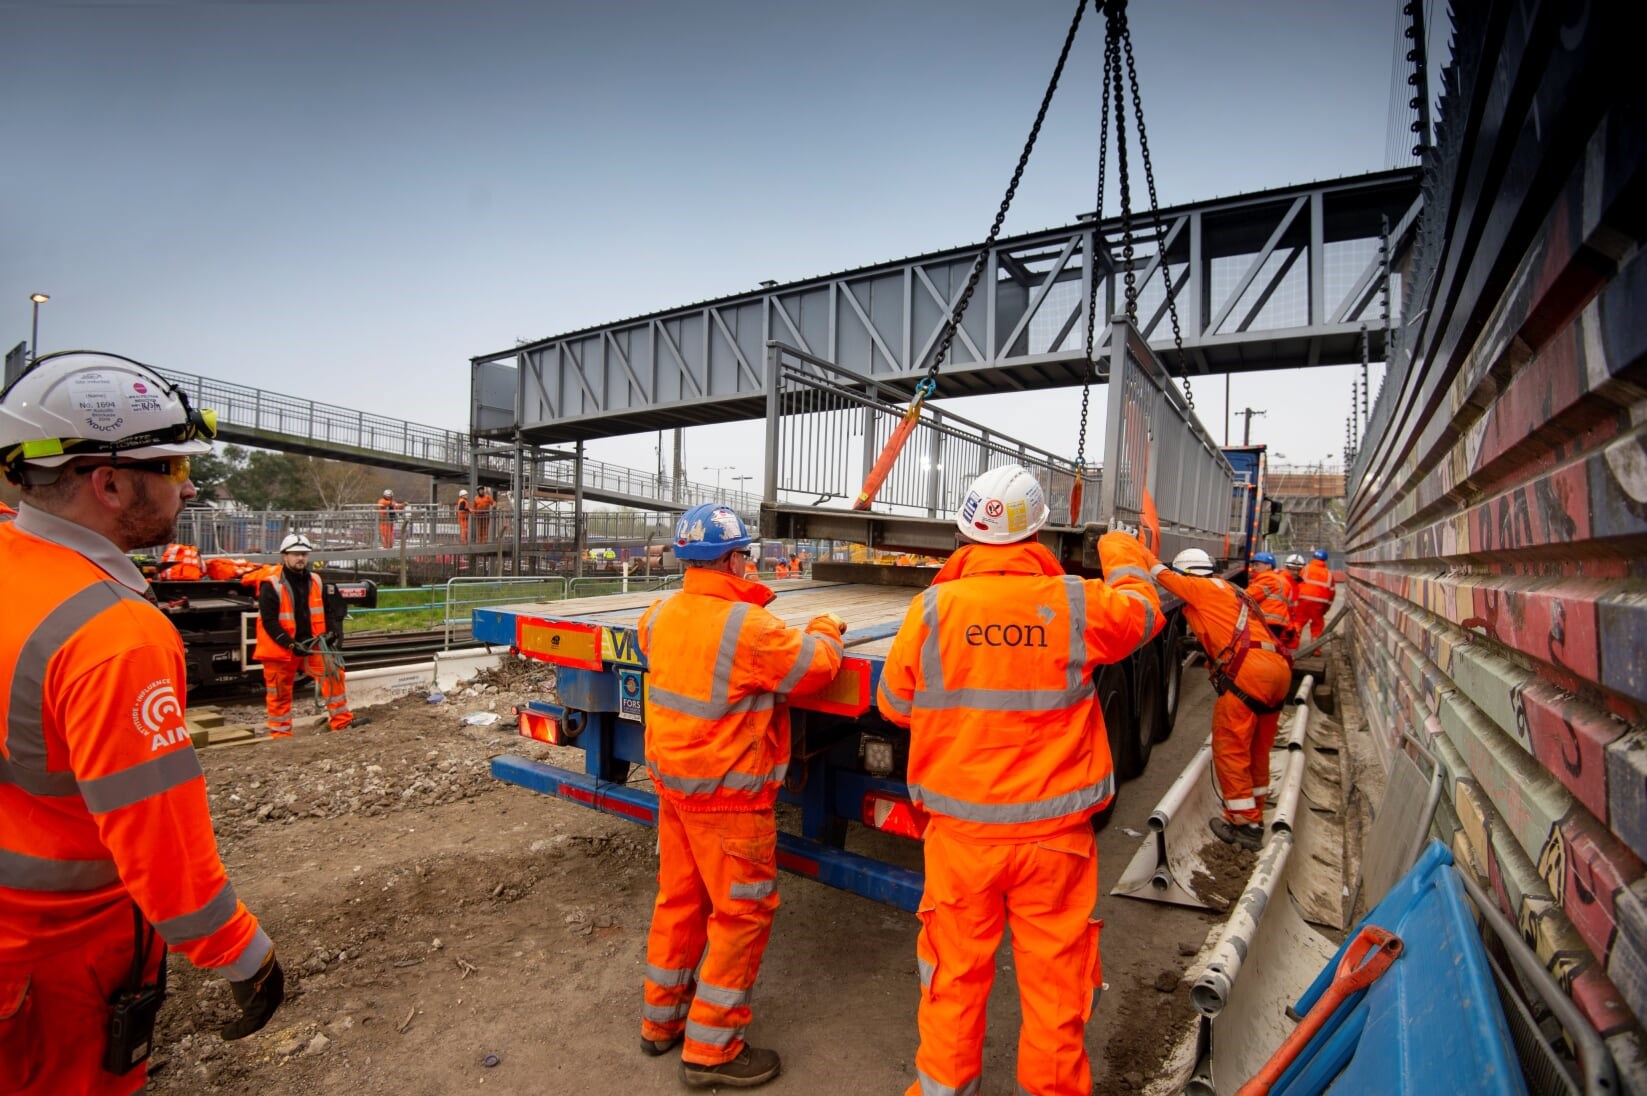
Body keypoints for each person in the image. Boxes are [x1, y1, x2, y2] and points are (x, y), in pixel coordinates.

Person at [0, 351, 284, 1095]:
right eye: (173, 469)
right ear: (111, 482)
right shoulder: (112, 631)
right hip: (55, 957)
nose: (189, 487)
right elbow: (155, 828)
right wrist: (238, 950)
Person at [876, 464, 1163, 1096]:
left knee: (952, 980)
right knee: (1057, 987)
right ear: (1040, 532)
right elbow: (1145, 618)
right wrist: (1124, 558)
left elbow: (895, 706)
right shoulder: (1075, 603)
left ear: (966, 533)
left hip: (961, 842)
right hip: (1055, 842)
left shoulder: (933, 610)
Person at [638, 502, 846, 1088]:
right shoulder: (749, 630)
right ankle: (713, 1050)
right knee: (740, 914)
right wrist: (827, 626)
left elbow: (662, 644)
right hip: (729, 801)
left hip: (675, 789)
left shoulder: (660, 614)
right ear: (733, 559)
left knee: (679, 900)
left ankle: (662, 1022)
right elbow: (816, 667)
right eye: (746, 555)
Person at [1150, 547, 1292, 852]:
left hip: (1250, 674)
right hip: (1277, 670)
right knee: (1258, 749)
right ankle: (1255, 812)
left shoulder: (1200, 587)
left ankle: (1244, 825)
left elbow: (1161, 576)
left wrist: (1131, 547)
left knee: (1231, 748)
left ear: (1187, 572)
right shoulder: (1232, 590)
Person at [253, 533, 365, 736]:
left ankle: (341, 722)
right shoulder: (271, 584)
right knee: (279, 691)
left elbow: (327, 610)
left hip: (312, 644)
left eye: (304, 554)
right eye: (296, 554)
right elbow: (269, 621)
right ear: (284, 556)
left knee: (333, 673)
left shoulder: (315, 581)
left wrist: (331, 632)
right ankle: (280, 734)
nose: (300, 558)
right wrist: (289, 643)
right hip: (282, 649)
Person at [1247, 551, 1299, 651]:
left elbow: (1249, 596)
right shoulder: (1280, 579)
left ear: (1268, 566)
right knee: (1270, 648)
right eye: (1253, 564)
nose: (1253, 567)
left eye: (1257, 564)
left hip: (1267, 621)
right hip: (1275, 622)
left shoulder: (1268, 578)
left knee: (1262, 649)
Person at [1296, 548, 1337, 643]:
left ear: (1313, 557)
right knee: (1317, 625)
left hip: (1302, 600)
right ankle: (1316, 649)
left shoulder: (1305, 569)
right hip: (1319, 604)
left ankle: (1292, 646)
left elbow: (1296, 584)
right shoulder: (1329, 574)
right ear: (1325, 560)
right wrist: (1326, 609)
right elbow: (1331, 594)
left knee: (1298, 622)